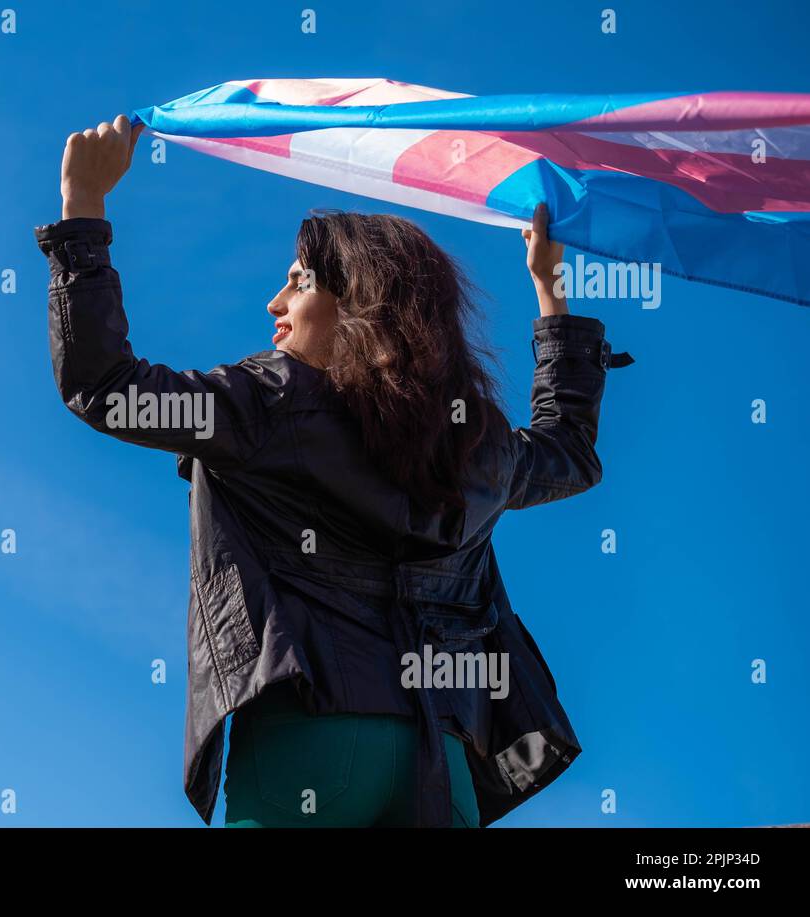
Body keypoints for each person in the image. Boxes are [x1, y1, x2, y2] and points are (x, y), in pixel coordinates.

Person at [34, 115, 632, 827]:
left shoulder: (272, 402)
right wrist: (550, 294)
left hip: (314, 743)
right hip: (442, 756)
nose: (274, 303)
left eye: (296, 281)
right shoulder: (477, 445)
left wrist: (84, 208)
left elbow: (103, 383)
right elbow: (569, 452)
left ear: (354, 302)